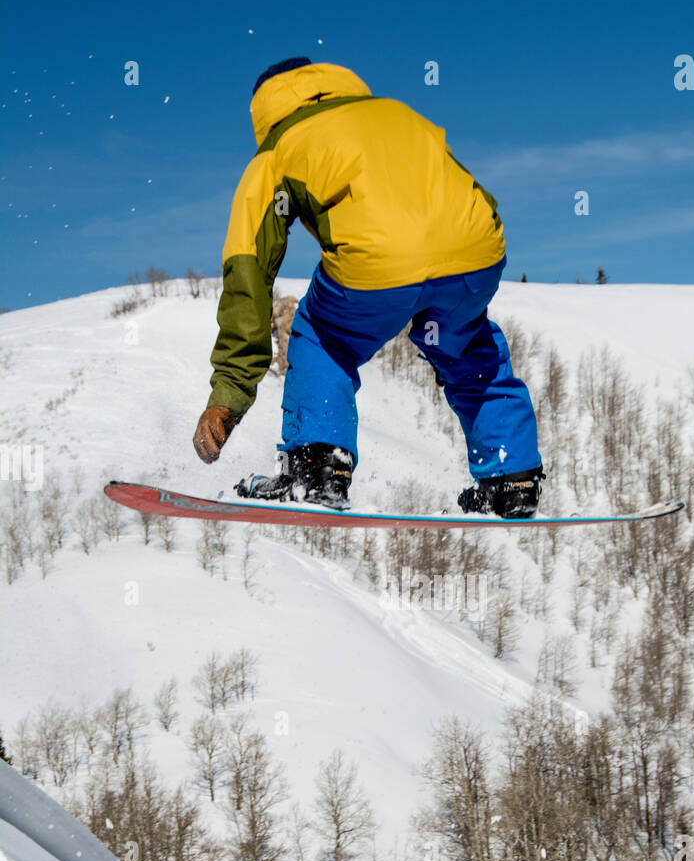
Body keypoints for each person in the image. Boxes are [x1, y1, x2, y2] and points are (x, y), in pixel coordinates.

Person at [192, 57, 544, 517]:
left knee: (324, 335)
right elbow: (463, 183)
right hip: (477, 251)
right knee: (466, 343)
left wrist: (230, 394)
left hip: (379, 266)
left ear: (264, 109)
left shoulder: (280, 149)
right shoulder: (399, 114)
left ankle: (316, 469)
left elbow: (250, 269)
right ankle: (510, 480)